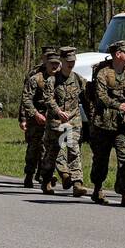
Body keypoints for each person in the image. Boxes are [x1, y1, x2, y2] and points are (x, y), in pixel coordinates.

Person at [90, 40, 125, 206]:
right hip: (103, 124)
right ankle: (98, 188)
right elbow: (101, 97)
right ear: (118, 54)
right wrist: (117, 105)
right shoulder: (103, 74)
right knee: (101, 159)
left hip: (124, 124)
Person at [39, 47, 88, 197]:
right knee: (52, 154)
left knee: (74, 150)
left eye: (73, 61)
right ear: (62, 61)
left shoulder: (78, 79)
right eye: (68, 61)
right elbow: (48, 98)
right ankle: (46, 180)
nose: (71, 64)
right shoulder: (52, 80)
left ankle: (77, 183)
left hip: (73, 122)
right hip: (55, 123)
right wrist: (58, 111)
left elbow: (88, 95)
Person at [19, 47, 60, 187]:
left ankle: (45, 175)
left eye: (57, 63)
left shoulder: (61, 79)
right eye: (51, 63)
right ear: (46, 62)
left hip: (53, 119)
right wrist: (28, 116)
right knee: (34, 148)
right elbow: (26, 99)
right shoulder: (35, 78)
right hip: (36, 118)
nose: (54, 66)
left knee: (49, 147)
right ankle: (29, 174)